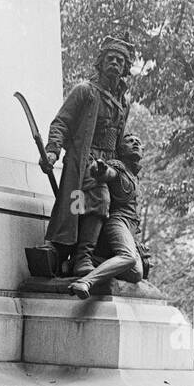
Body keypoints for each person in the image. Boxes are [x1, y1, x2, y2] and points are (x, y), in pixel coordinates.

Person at [40, 35, 134, 278]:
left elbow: (121, 137)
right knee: (86, 203)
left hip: (109, 163)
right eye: (110, 58)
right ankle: (80, 256)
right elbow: (61, 122)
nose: (115, 63)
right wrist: (52, 151)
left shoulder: (123, 102)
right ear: (101, 63)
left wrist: (129, 164)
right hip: (83, 160)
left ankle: (83, 255)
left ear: (125, 68)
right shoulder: (85, 91)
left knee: (94, 204)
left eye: (120, 60)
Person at [69, 133, 145, 299]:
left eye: (138, 142)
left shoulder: (136, 176)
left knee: (136, 273)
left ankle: (89, 261)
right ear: (120, 149)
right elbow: (109, 173)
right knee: (129, 257)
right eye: (130, 141)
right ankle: (85, 282)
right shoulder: (118, 166)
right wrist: (101, 171)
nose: (135, 143)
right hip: (117, 222)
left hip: (129, 228)